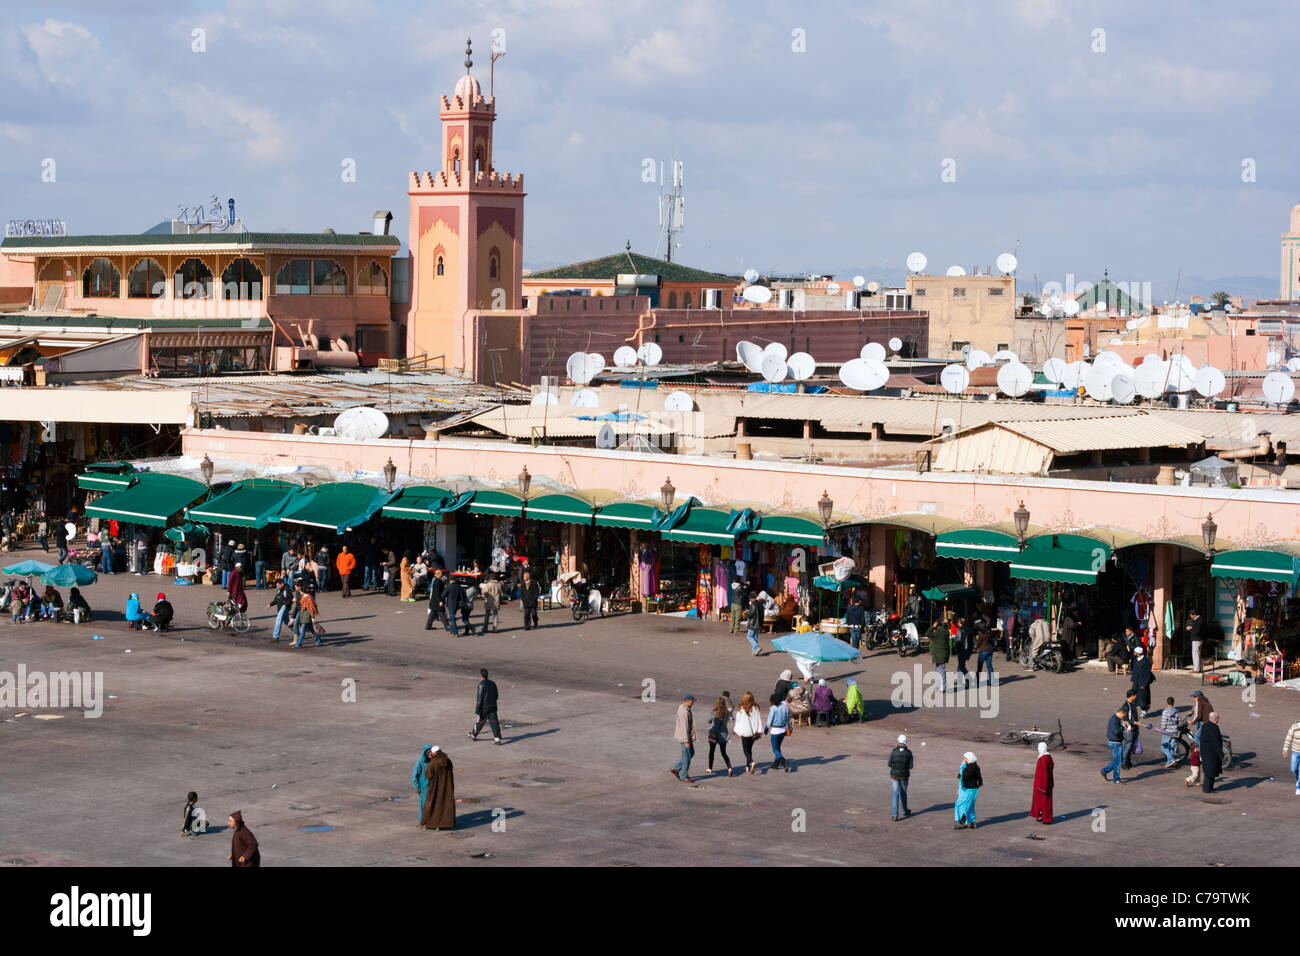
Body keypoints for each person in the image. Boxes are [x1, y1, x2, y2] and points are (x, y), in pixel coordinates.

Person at [421, 746, 456, 830]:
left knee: (431, 805)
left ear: (434, 753)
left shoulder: (433, 763)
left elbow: (428, 775)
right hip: (447, 787)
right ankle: (444, 824)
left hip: (435, 788)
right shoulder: (448, 761)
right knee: (444, 805)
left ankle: (431, 823)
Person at [732, 691, 764, 775]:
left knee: (745, 750)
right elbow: (759, 720)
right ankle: (747, 766)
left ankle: (752, 762)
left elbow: (738, 721)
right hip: (753, 733)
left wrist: (736, 730)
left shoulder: (741, 708)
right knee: (749, 749)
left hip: (745, 732)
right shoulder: (756, 708)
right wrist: (760, 731)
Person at [468, 668, 502, 744]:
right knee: (494, 722)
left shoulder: (481, 684)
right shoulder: (493, 683)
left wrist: (477, 709)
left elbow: (479, 699)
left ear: (481, 675)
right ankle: (497, 738)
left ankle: (473, 734)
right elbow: (496, 696)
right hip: (493, 707)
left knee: (480, 721)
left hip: (484, 708)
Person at [705, 696, 734, 776]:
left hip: (714, 733)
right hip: (724, 734)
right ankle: (729, 767)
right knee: (723, 752)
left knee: (712, 751)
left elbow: (708, 721)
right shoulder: (726, 712)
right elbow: (728, 719)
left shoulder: (714, 712)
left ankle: (710, 768)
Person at [671, 693, 697, 782]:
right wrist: (686, 741)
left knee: (691, 753)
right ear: (688, 701)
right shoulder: (684, 712)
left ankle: (676, 768)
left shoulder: (683, 707)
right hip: (684, 737)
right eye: (693, 701)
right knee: (686, 757)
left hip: (686, 737)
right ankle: (684, 775)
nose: (693, 703)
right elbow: (684, 727)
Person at [888, 734, 913, 821]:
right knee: (903, 793)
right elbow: (911, 766)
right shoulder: (909, 753)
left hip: (894, 775)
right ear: (906, 742)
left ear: (898, 741)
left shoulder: (894, 751)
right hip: (904, 776)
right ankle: (904, 810)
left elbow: (889, 764)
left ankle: (895, 815)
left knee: (895, 794)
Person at [1101, 704, 1128, 783]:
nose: (1124, 717)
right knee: (1118, 761)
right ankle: (1116, 779)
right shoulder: (1114, 720)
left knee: (1117, 760)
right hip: (1115, 742)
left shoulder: (1115, 719)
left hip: (1114, 742)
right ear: (1122, 713)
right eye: (1124, 715)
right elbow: (1116, 732)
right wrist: (1123, 727)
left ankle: (1104, 771)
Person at [954, 753, 982, 829]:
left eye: (965, 758)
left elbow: (964, 775)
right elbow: (960, 777)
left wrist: (962, 766)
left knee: (962, 806)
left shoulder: (972, 767)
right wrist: (959, 788)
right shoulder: (972, 766)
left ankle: (962, 823)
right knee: (969, 807)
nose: (964, 759)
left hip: (969, 790)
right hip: (967, 789)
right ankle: (972, 823)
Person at [1199, 712, 1225, 793]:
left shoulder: (1205, 725)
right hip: (1212, 753)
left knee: (1209, 771)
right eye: (1218, 719)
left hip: (1205, 751)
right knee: (1210, 772)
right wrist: (1221, 755)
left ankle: (1210, 788)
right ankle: (1207, 789)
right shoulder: (1214, 728)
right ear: (1215, 719)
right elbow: (1216, 742)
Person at [766, 692, 791, 772]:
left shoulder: (773, 708)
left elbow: (769, 720)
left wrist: (766, 728)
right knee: (778, 747)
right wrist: (790, 728)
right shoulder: (785, 707)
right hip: (783, 730)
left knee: (775, 749)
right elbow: (789, 719)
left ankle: (784, 761)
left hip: (775, 731)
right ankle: (775, 764)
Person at [1031, 741, 1054, 824]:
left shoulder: (1043, 759)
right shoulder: (1048, 757)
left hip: (1042, 784)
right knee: (1046, 802)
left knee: (1042, 801)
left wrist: (1042, 786)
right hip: (1047, 783)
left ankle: (1045, 818)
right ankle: (1044, 816)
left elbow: (1044, 773)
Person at [1130, 644, 1155, 715]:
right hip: (1136, 681)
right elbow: (1134, 671)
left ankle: (1145, 709)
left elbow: (1148, 674)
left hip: (1142, 682)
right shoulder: (1135, 660)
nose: (1134, 653)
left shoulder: (1146, 661)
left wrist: (1144, 684)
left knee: (1143, 697)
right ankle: (1133, 710)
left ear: (1138, 653)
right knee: (1134, 695)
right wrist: (1132, 680)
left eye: (1135, 652)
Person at [928, 617, 950, 693]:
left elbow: (927, 633)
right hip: (943, 653)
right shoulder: (946, 632)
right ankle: (939, 686)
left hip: (938, 654)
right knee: (940, 670)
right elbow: (945, 628)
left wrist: (932, 627)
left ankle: (942, 687)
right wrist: (945, 624)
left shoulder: (937, 632)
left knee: (940, 670)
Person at [411, 746, 433, 822]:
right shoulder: (420, 762)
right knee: (424, 805)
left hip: (431, 786)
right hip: (423, 788)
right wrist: (417, 787)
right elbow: (414, 775)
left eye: (431, 752)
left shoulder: (432, 761)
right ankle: (423, 821)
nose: (430, 754)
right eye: (429, 752)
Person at [1121, 689, 1141, 769]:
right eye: (1135, 695)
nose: (1136, 697)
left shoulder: (1132, 704)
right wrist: (1134, 722)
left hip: (1134, 729)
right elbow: (1125, 719)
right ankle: (1124, 763)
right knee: (1127, 747)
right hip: (1129, 731)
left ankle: (1128, 762)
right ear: (1132, 696)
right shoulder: (1126, 706)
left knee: (1130, 747)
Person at [1158, 696, 1180, 768]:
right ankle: (1168, 762)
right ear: (1173, 703)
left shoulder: (1165, 711)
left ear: (1167, 703)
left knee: (1163, 746)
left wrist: (1162, 730)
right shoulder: (1176, 711)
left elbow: (1164, 722)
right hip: (1174, 731)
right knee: (1171, 746)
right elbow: (1179, 721)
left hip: (1167, 731)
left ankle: (1171, 759)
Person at [953, 615, 972, 688]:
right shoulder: (968, 629)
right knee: (960, 665)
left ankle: (969, 680)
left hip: (961, 650)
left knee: (962, 666)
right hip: (966, 650)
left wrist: (956, 649)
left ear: (959, 623)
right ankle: (958, 679)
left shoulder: (960, 630)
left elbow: (958, 641)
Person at [1283, 718, 1300, 796]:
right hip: (1295, 752)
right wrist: (1285, 749)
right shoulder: (1294, 727)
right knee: (1293, 769)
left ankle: (1298, 787)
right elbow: (1288, 738)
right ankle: (1298, 780)